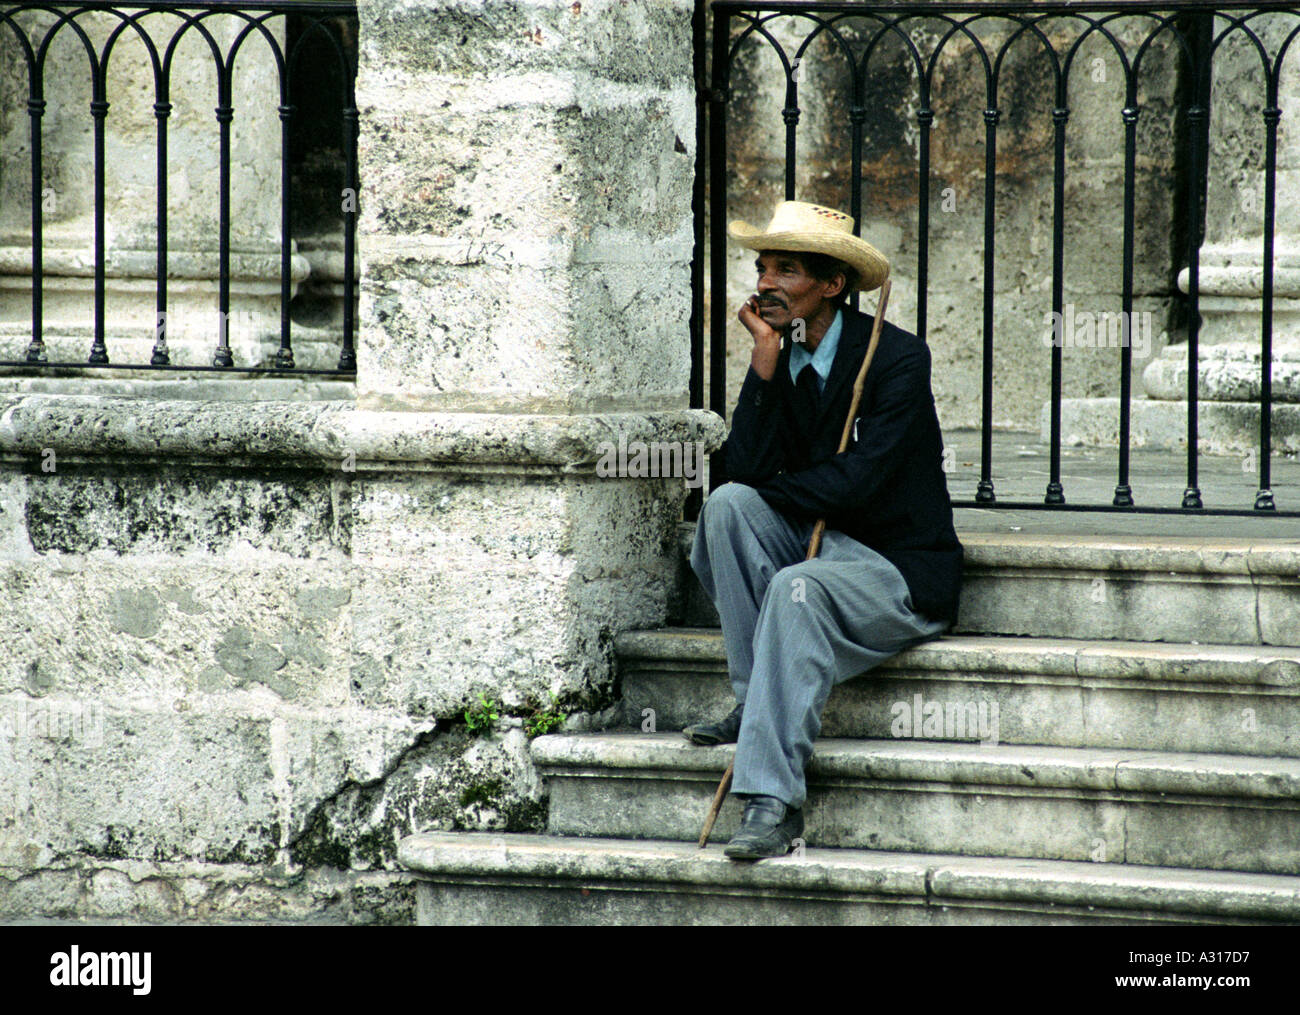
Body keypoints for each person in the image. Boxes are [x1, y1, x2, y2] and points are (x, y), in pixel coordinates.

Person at [685, 200, 964, 860]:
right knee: (727, 509)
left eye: (786, 270)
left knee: (796, 587)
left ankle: (772, 801)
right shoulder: (783, 353)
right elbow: (742, 474)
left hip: (891, 566)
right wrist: (761, 363)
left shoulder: (895, 360)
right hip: (818, 540)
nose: (765, 284)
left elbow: (856, 483)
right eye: (762, 268)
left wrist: (777, 491)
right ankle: (758, 701)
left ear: (833, 284)